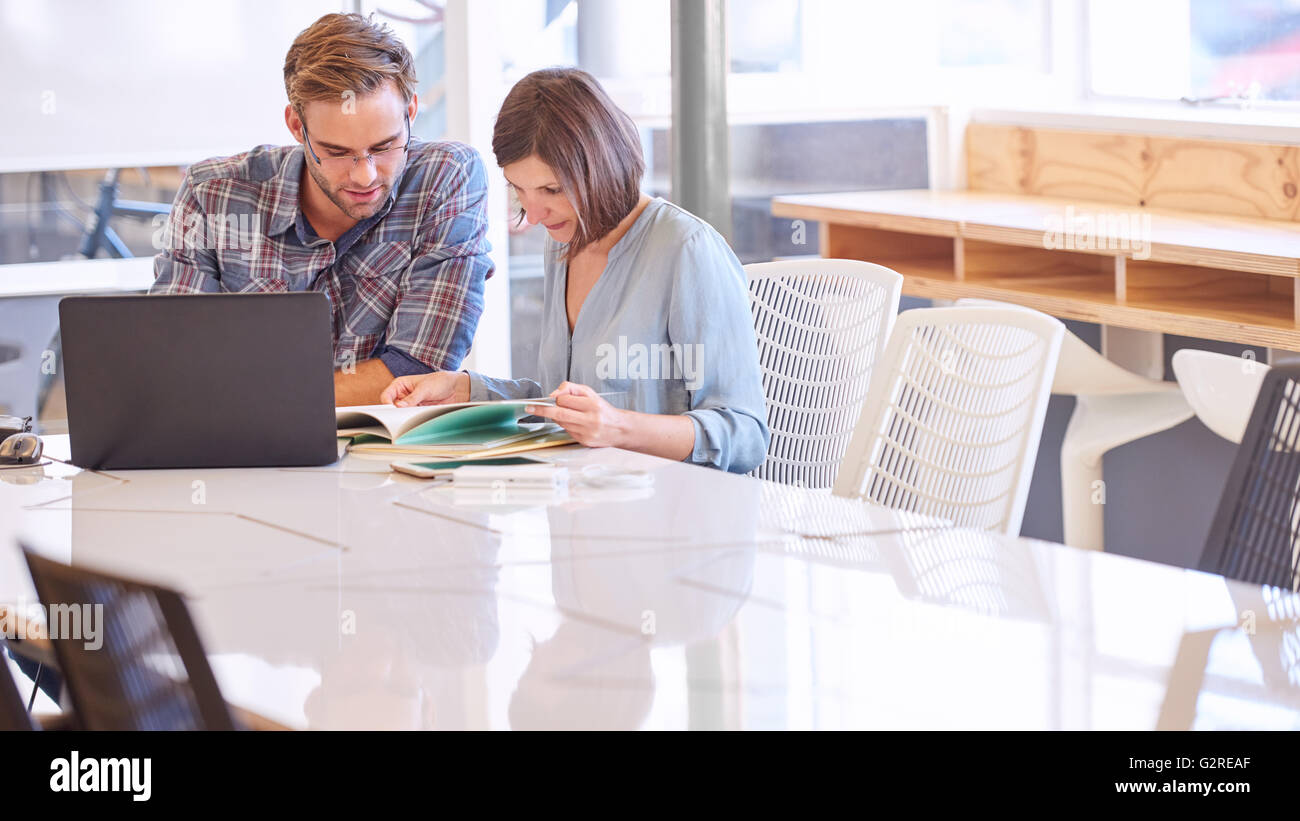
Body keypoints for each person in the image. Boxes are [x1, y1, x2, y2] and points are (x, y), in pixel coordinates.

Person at [381, 68, 769, 474]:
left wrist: (619, 427)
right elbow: (566, 406)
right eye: (519, 189)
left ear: (602, 164)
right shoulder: (563, 242)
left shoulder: (687, 249)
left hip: (672, 519)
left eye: (552, 190)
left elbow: (744, 434)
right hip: (579, 512)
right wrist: (465, 389)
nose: (532, 214)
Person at [150, 13, 493, 406]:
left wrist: (242, 396)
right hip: (243, 455)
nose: (365, 176)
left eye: (383, 147)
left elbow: (417, 369)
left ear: (411, 112)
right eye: (336, 152)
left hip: (390, 459)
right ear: (297, 127)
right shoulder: (212, 196)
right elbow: (176, 365)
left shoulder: (447, 177)